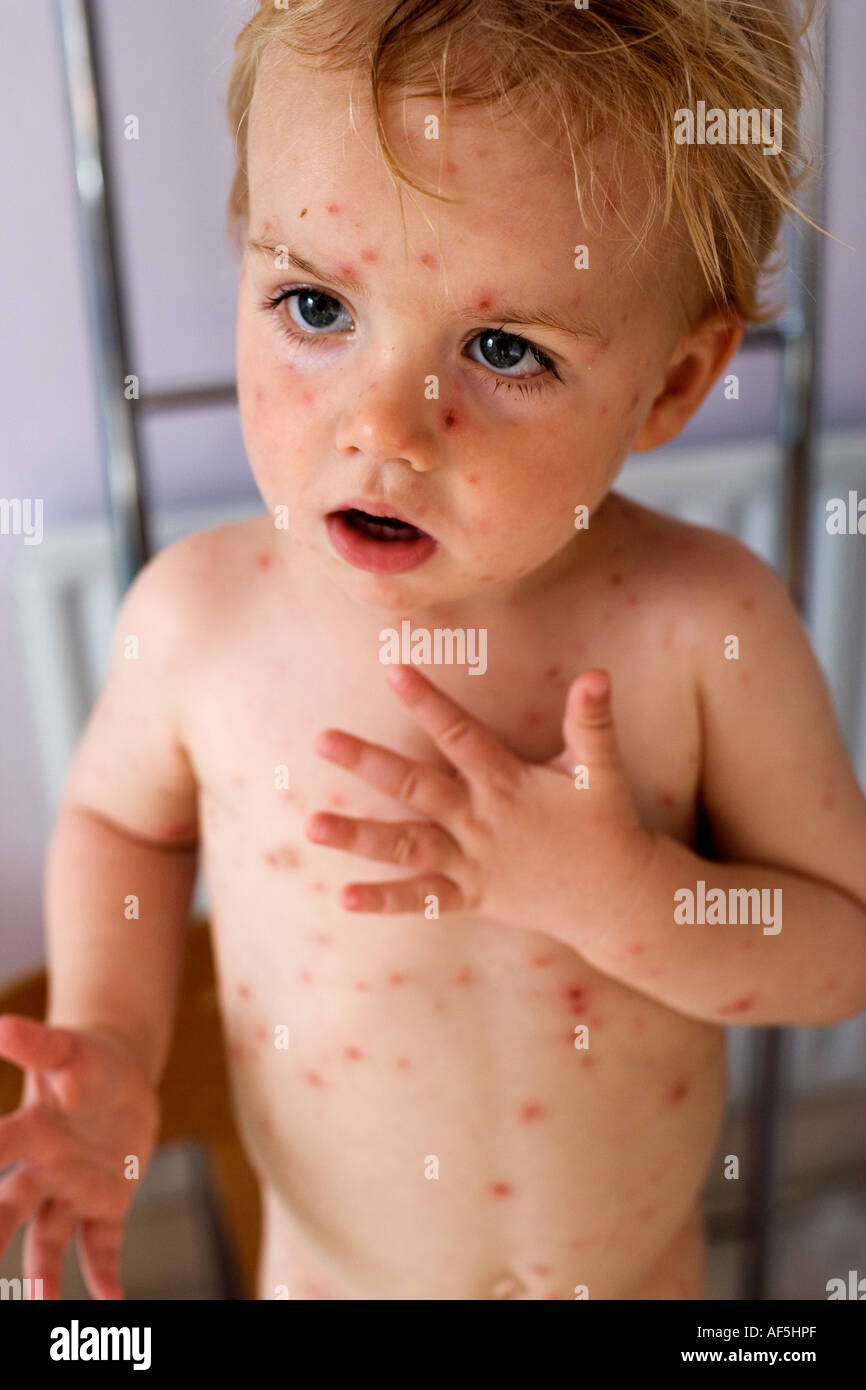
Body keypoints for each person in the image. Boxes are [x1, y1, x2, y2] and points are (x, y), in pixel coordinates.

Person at [2, 0, 864, 1301]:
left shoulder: (703, 626)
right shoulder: (201, 622)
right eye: (313, 303)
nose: (385, 428)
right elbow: (123, 829)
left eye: (504, 348)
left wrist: (621, 898)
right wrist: (113, 1038)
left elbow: (840, 947)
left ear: (673, 385)